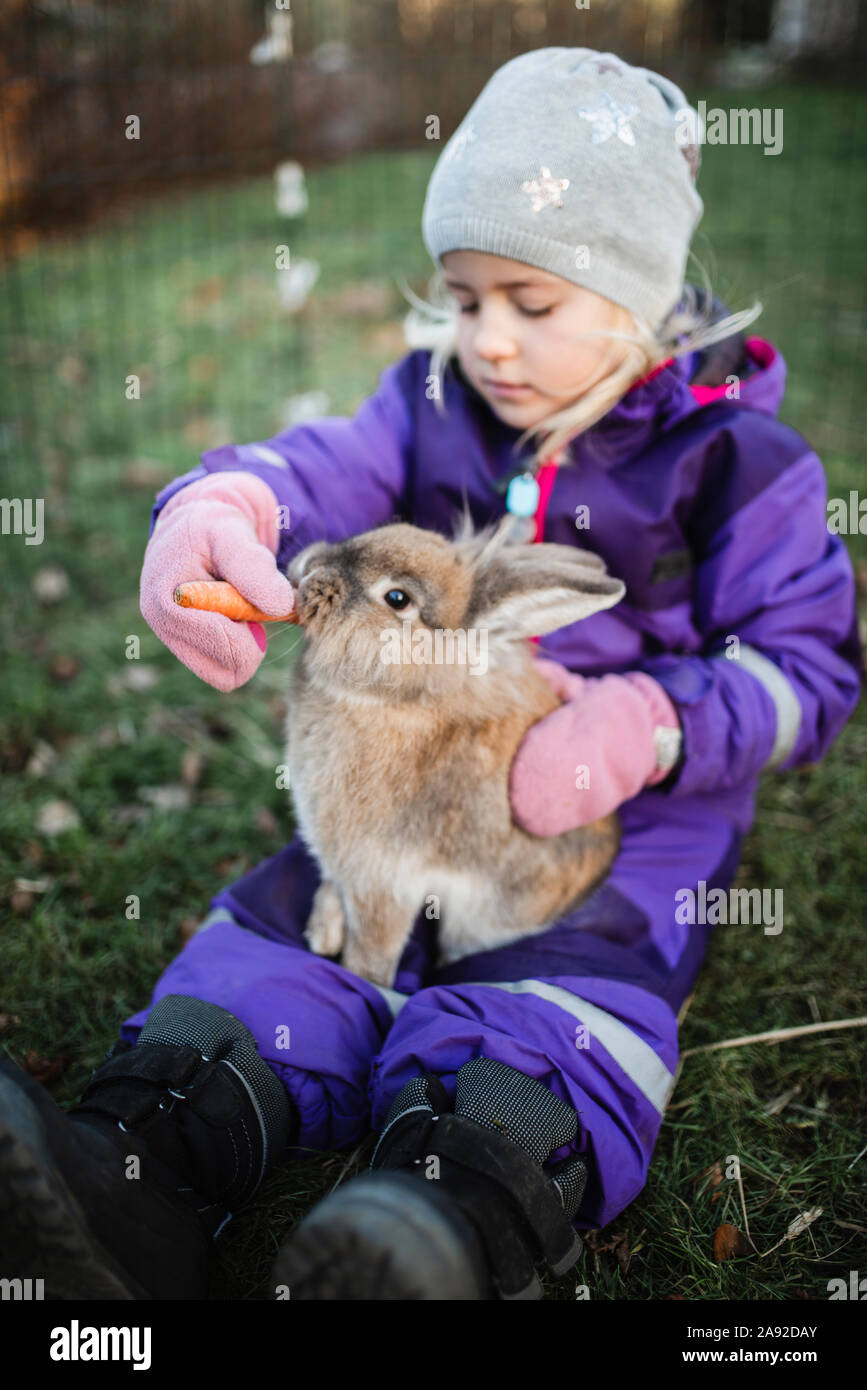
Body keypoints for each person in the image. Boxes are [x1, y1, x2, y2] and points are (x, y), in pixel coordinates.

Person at [0, 47, 860, 1302]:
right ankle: (145, 1154)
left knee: (571, 980)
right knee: (312, 905)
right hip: (417, 745)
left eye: (530, 299)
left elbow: (808, 667)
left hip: (633, 810)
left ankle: (457, 1203)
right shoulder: (432, 401)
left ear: (636, 290)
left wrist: (655, 722)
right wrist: (227, 502)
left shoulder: (741, 464)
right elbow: (327, 470)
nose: (488, 341)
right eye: (463, 299)